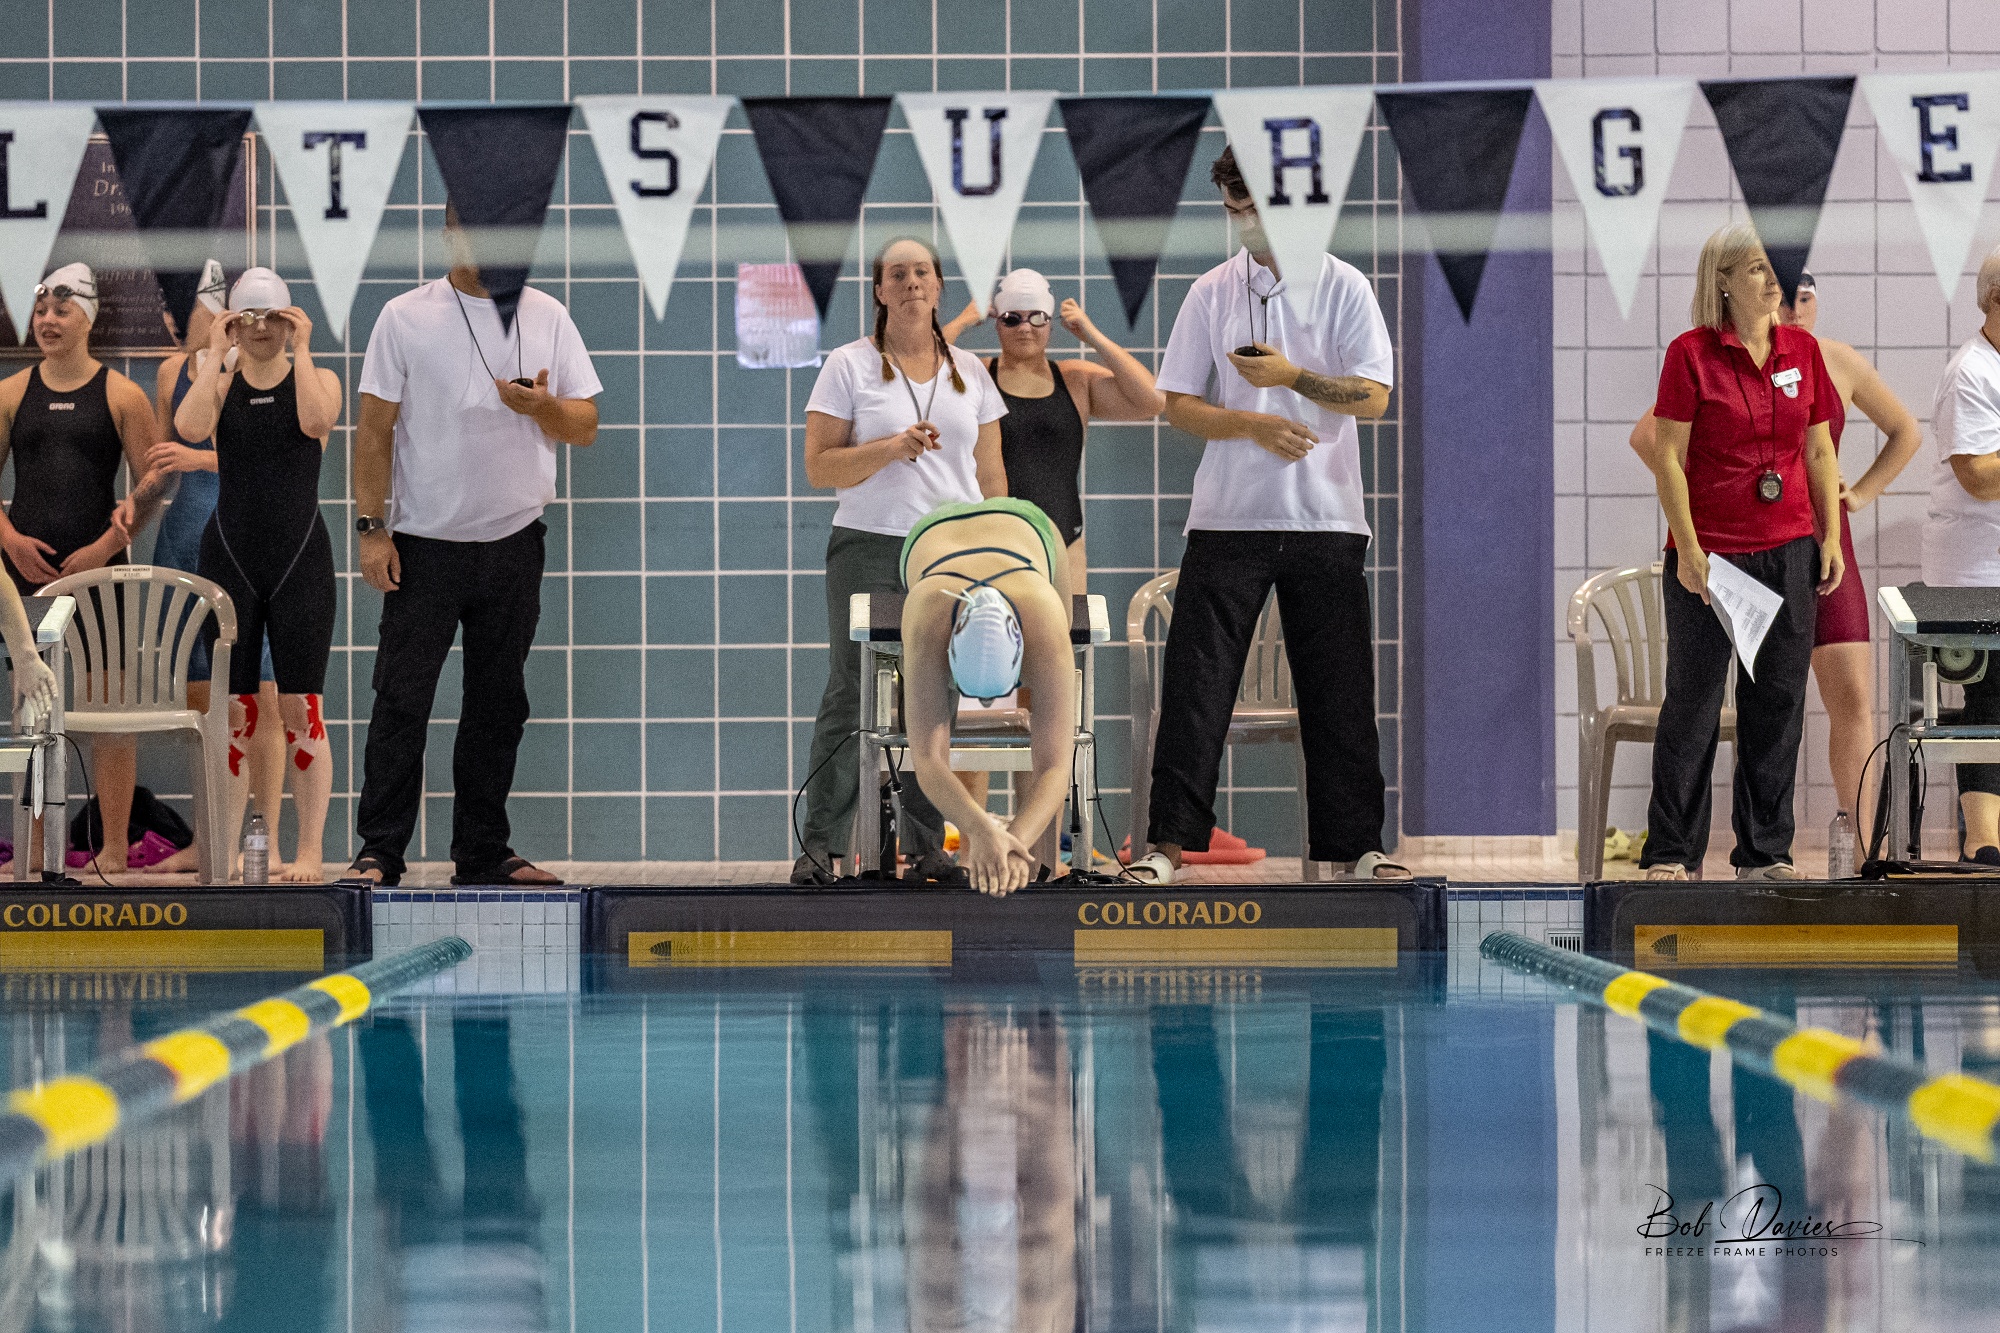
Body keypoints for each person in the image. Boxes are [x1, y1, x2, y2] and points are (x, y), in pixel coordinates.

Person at [1127, 147, 1403, 886]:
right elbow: (1177, 402)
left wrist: (1292, 378)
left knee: (1339, 693)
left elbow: (1375, 398)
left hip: (1327, 518)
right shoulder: (1213, 291)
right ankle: (1167, 846)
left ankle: (1357, 846)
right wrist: (1251, 423)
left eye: (1249, 207)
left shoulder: (1344, 287)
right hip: (1227, 520)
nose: (1240, 222)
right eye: (1230, 209)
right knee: (1195, 690)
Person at [351, 207, 601, 887]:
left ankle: (483, 850)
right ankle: (379, 849)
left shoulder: (546, 314)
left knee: (499, 702)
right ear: (449, 234)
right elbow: (373, 431)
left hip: (515, 542)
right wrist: (371, 531)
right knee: (402, 698)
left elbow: (584, 424)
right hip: (424, 544)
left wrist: (541, 409)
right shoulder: (405, 317)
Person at [1629, 271, 1919, 848]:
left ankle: (1865, 848)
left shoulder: (1831, 359)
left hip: (1819, 549)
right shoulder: (1710, 358)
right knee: (1711, 698)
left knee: (1845, 701)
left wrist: (1854, 495)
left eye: (1801, 296)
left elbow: (1902, 432)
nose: (1790, 306)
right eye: (1781, 294)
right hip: (1742, 547)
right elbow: (1652, 441)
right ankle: (1689, 849)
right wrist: (1715, 497)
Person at [794, 237, 1008, 886]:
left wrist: (994, 549)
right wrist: (888, 448)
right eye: (897, 273)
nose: (911, 281)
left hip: (951, 549)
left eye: (923, 271)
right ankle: (823, 845)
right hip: (870, 542)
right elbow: (819, 465)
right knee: (852, 687)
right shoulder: (849, 365)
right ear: (880, 292)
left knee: (933, 693)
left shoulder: (971, 372)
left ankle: (924, 845)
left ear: (939, 287)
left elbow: (993, 477)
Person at [1639, 224, 1844, 881]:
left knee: (1777, 705)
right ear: (1722, 282)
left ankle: (1764, 853)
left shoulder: (1802, 351)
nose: (1771, 279)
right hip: (1710, 559)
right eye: (1755, 269)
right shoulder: (1691, 354)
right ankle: (1671, 853)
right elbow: (1667, 456)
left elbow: (1818, 449)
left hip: (1787, 550)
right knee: (1694, 706)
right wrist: (1690, 551)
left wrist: (1830, 535)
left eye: (1773, 267)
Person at [174, 269, 344, 884]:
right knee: (237, 713)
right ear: (234, 322)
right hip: (231, 556)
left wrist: (302, 349)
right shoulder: (217, 383)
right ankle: (225, 845)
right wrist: (216, 356)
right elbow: (189, 429)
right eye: (249, 318)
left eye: (273, 317)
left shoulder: (318, 378)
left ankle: (308, 851)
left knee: (303, 708)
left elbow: (316, 421)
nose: (261, 329)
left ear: (290, 320)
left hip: (300, 560)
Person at [0, 263, 159, 873]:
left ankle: (114, 848)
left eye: (61, 311)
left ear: (87, 317)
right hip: (27, 577)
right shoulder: (13, 393)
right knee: (36, 716)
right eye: (41, 311)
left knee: (111, 716)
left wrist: (105, 546)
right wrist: (10, 538)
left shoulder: (121, 393)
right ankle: (39, 848)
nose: (47, 321)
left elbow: (151, 484)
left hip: (103, 576)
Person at [144, 259, 286, 877]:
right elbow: (164, 453)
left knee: (262, 697)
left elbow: (278, 457)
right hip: (184, 541)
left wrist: (199, 463)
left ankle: (267, 841)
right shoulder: (173, 371)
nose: (205, 319)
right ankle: (212, 838)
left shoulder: (257, 368)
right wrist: (135, 504)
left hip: (244, 535)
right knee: (206, 707)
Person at [941, 269, 1165, 597]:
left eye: (1037, 317)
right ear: (997, 323)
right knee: (992, 644)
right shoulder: (976, 375)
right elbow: (922, 372)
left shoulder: (1075, 379)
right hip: (991, 539)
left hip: (1065, 540)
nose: (1025, 327)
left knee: (1067, 644)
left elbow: (1152, 401)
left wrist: (1093, 336)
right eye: (1012, 319)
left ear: (1050, 322)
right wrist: (961, 322)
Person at [900, 497, 1074, 896]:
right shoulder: (926, 614)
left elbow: (1056, 764)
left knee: (1067, 654)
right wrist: (980, 831)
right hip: (928, 533)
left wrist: (1015, 843)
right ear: (949, 651)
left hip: (1031, 526)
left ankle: (1045, 857)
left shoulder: (1043, 614)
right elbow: (927, 758)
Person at [1921, 245, 2000, 863]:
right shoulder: (1970, 373)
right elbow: (1976, 475)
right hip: (1975, 572)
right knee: (1987, 700)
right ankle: (1983, 842)